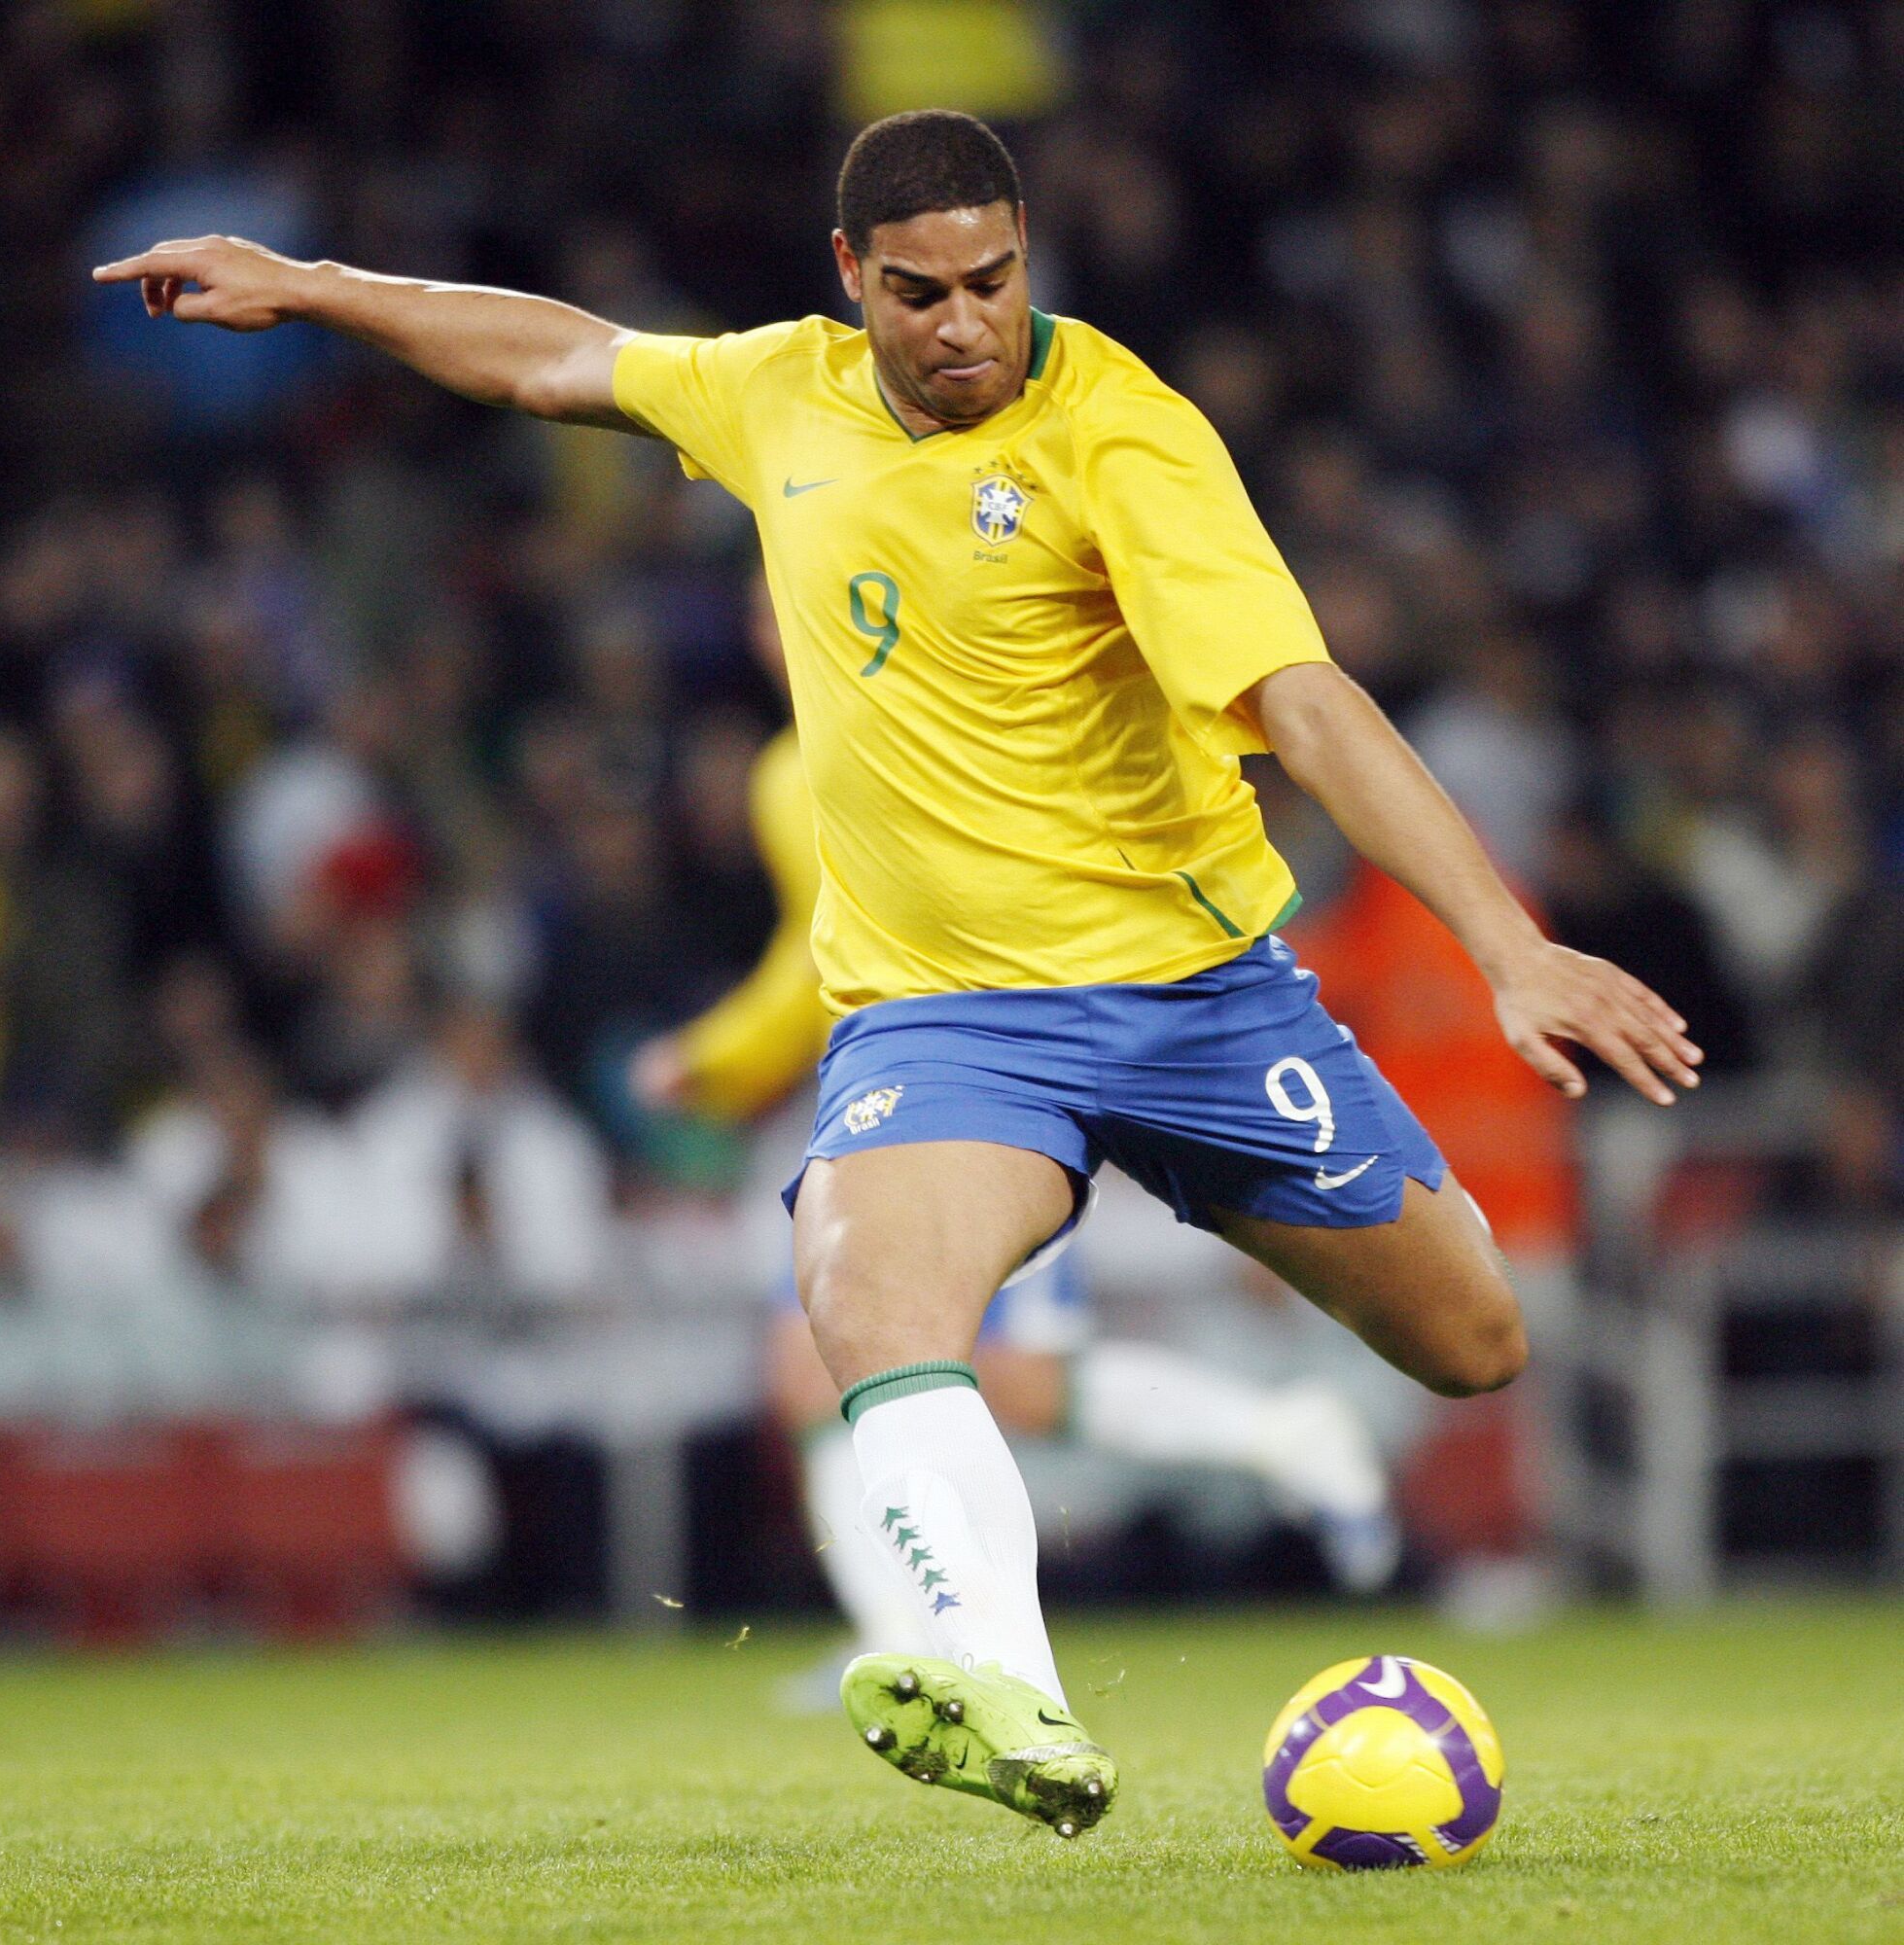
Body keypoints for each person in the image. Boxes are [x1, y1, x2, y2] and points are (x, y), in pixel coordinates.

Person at [95, 108, 1701, 1841]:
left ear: (1030, 261)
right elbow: (556, 356)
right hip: (952, 1027)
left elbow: (1303, 700)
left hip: (1202, 997)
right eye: (923, 291)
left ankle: (1267, 1447)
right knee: (858, 1296)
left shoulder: (1128, 437)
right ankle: (1012, 1692)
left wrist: (1507, 940)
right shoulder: (778, 390)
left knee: (1474, 1343)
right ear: (852, 277)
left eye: (996, 283)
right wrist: (319, 288)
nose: (965, 326)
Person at [629, 577, 1402, 1711]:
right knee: (832, 1365)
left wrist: (722, 1055)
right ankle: (907, 1637)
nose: (781, 630)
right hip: (902, 1084)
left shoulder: (950, 728)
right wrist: (733, 1060)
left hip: (1011, 1079)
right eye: (763, 610)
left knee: (984, 1376)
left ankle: (1275, 1433)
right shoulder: (791, 769)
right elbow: (824, 949)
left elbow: (815, 965)